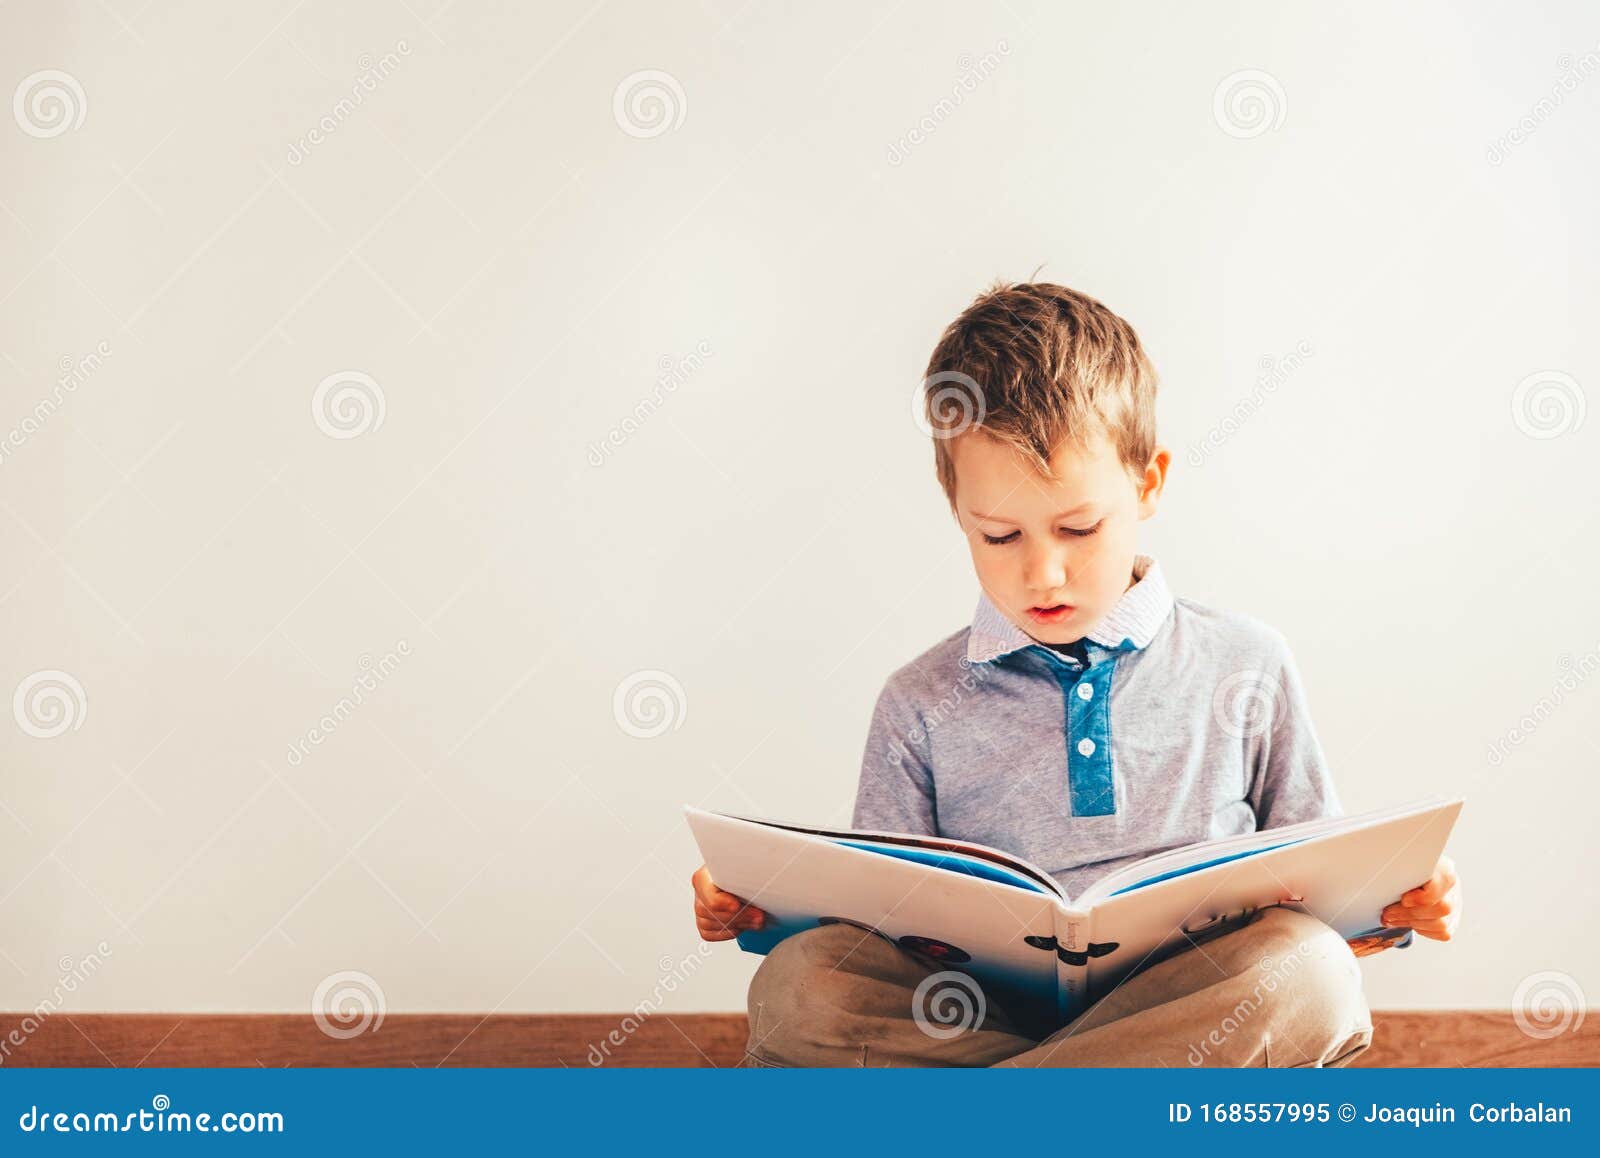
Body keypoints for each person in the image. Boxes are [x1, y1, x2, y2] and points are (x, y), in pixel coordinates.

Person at [689, 281, 1461, 1067]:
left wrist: (1398, 902)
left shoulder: (1247, 663)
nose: (1043, 574)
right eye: (999, 537)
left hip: (1184, 1022)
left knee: (1310, 973)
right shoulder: (917, 702)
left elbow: (1323, 898)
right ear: (956, 506)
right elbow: (878, 927)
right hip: (981, 1026)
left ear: (1149, 484)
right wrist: (764, 909)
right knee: (802, 986)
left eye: (1078, 528)